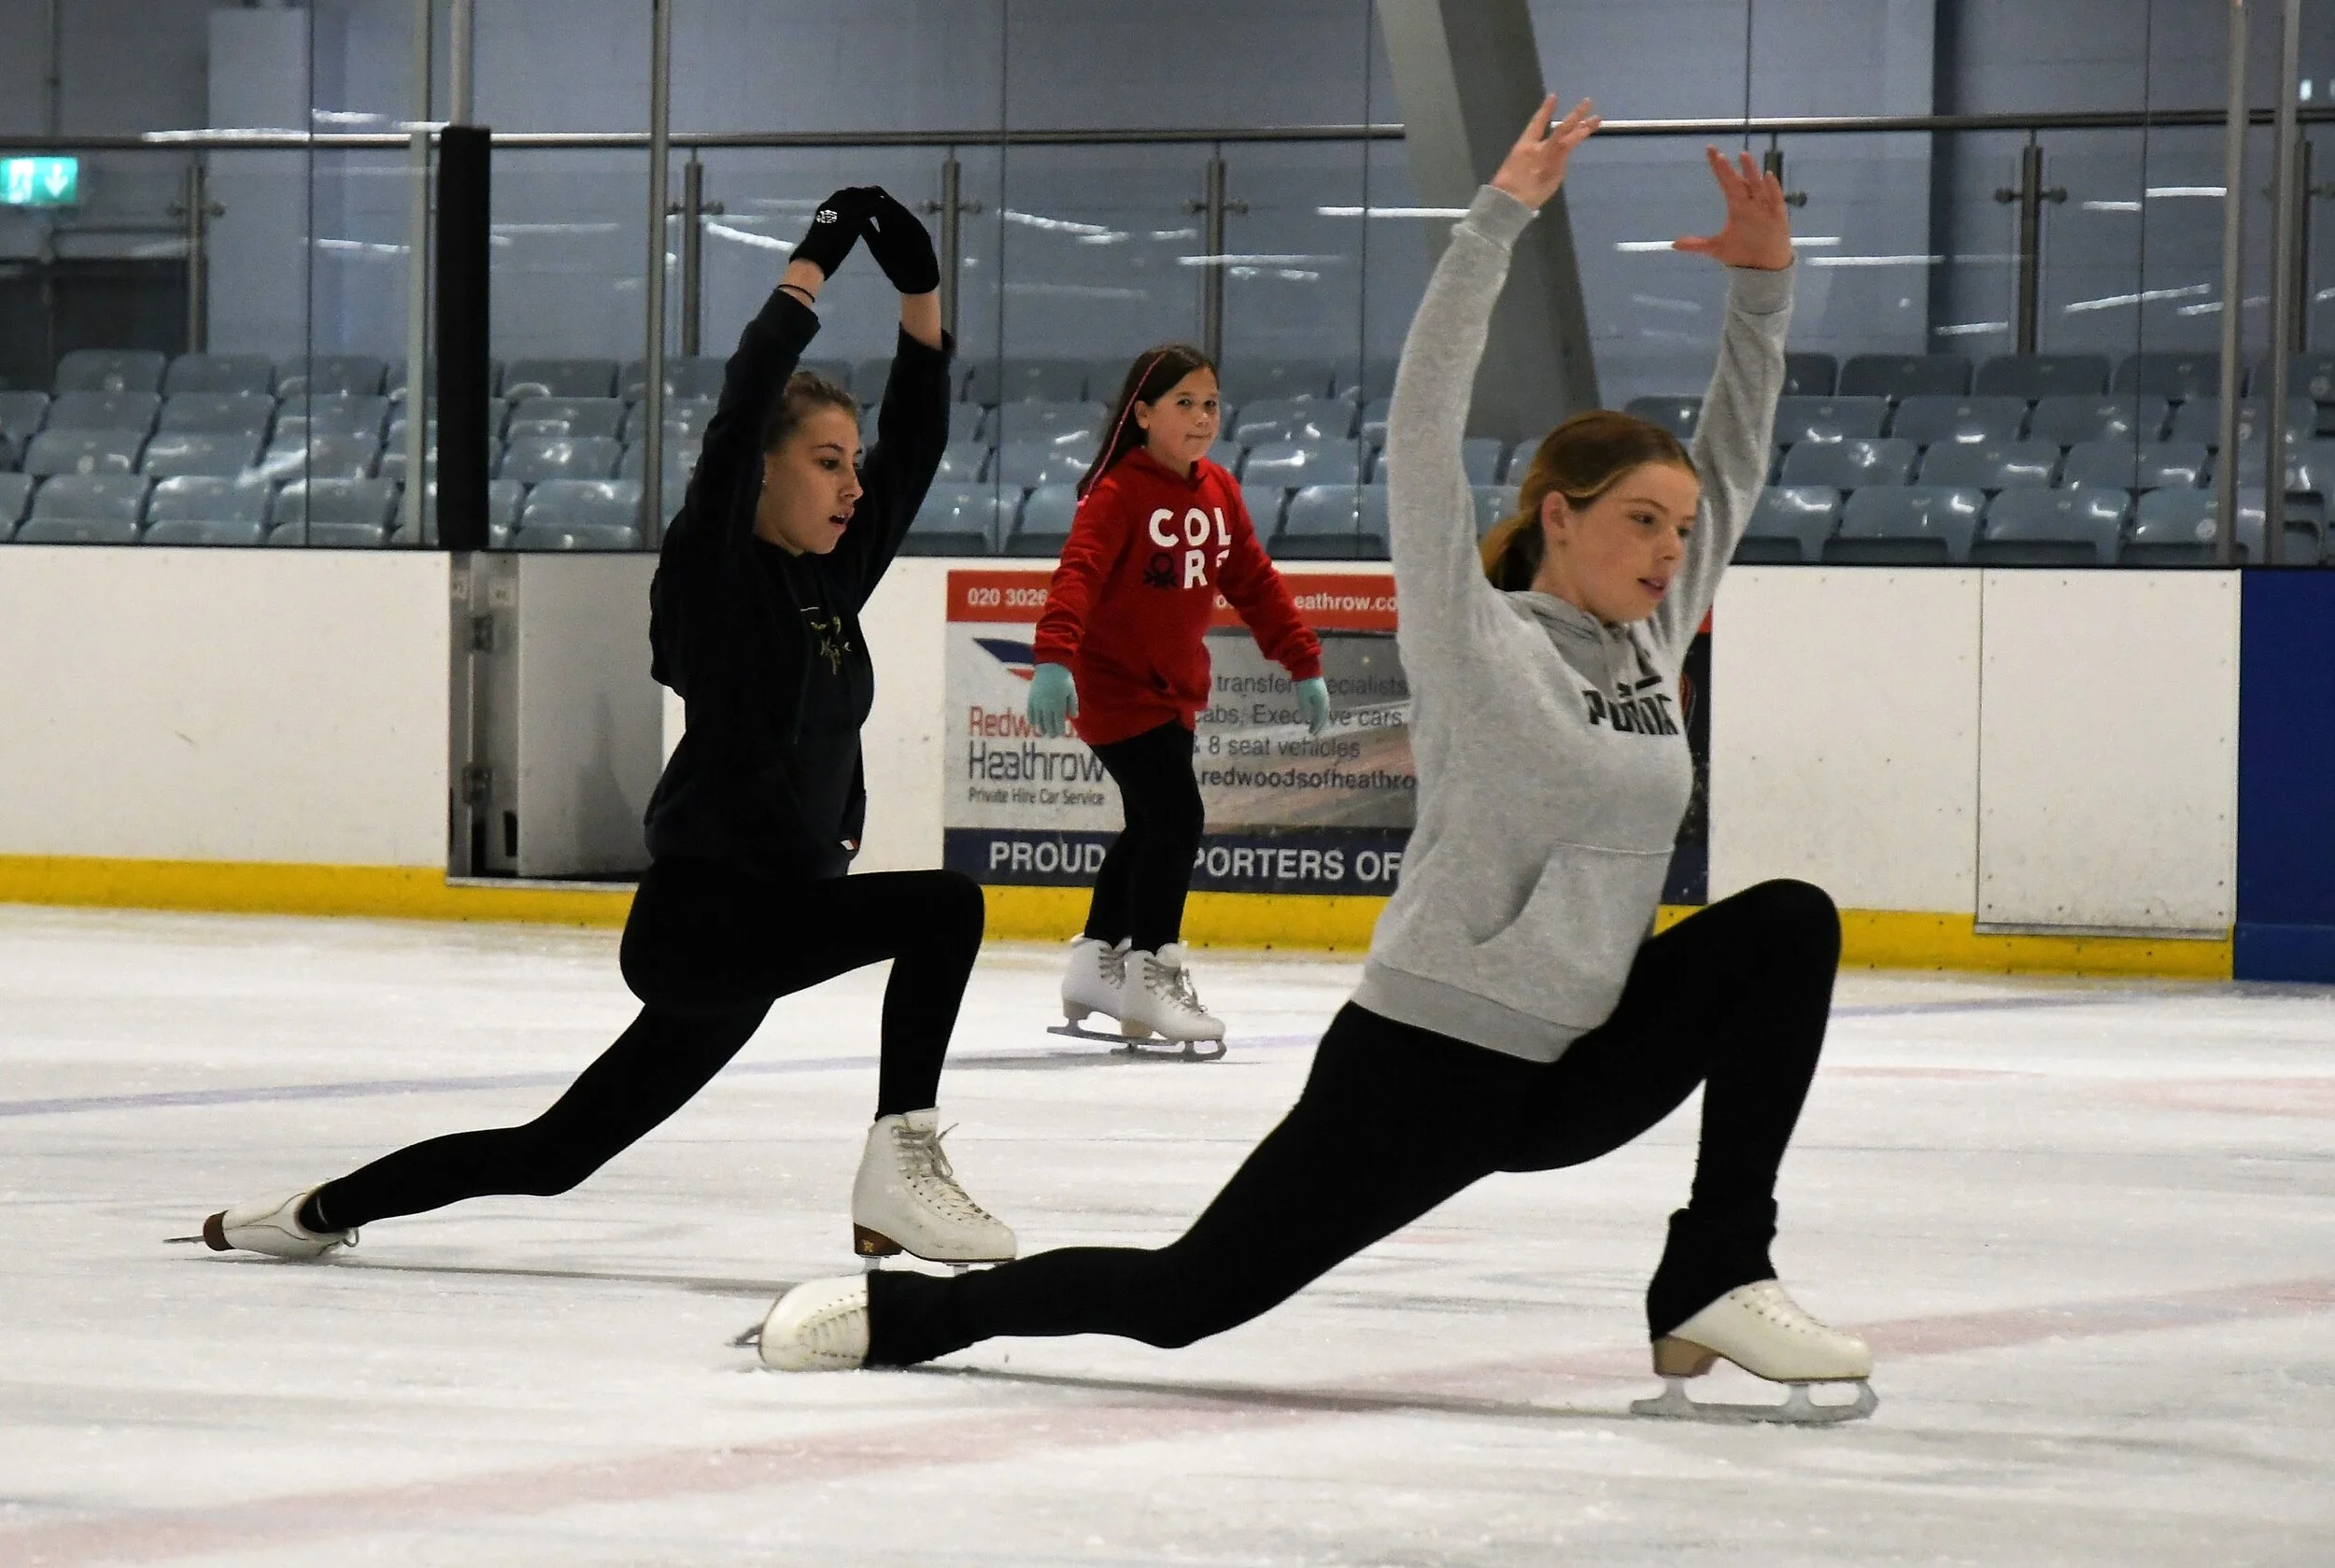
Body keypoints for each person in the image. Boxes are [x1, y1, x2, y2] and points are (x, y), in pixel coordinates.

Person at [755, 100, 1877, 1423]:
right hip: (1430, 1060)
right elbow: (1422, 430)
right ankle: (911, 1313)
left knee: (1788, 926)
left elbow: (1735, 458)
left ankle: (1714, 1267)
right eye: (1642, 521)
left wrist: (1765, 284)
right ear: (1559, 518)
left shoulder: (1654, 637)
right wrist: (1497, 219)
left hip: (1587, 1056)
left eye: (1682, 531)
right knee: (1190, 1295)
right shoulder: (1477, 639)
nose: (1669, 550)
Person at [191, 187, 1016, 1273]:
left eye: (851, 463)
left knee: (553, 1153)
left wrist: (920, 295)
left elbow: (913, 446)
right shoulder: (713, 577)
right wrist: (811, 266)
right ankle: (898, 1171)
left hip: (775, 922)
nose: (854, 485)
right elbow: (739, 409)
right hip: (707, 924)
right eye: (827, 460)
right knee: (944, 906)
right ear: (763, 469)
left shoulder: (829, 582)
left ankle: (312, 1208)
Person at [1026, 346, 1331, 1045]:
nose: (1201, 417)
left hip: (1172, 692)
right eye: (1184, 403)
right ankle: (1153, 972)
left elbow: (1254, 582)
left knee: (1150, 824)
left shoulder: (1219, 491)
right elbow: (1076, 576)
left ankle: (1096, 961)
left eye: (1211, 404)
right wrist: (1053, 658)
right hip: (1111, 689)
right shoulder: (1117, 494)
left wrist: (1302, 660)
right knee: (1177, 815)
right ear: (1142, 415)